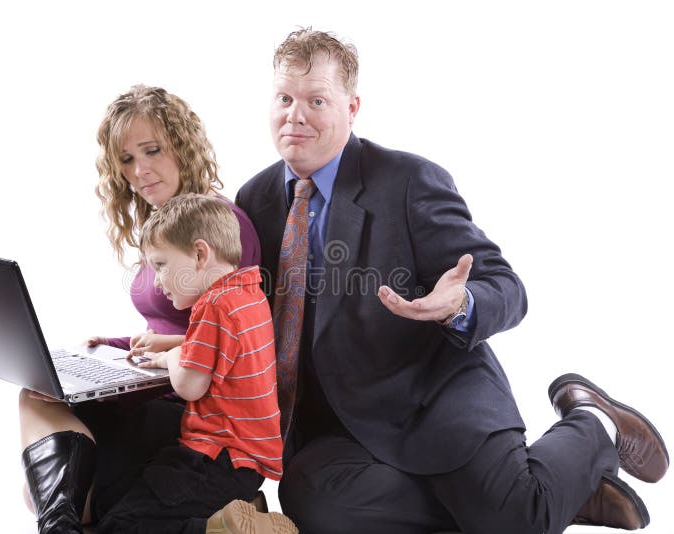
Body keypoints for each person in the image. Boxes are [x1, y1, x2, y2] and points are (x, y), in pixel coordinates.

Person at [235, 28, 669, 534]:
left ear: (352, 108)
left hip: (435, 400)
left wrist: (460, 302)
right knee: (318, 512)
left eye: (316, 100)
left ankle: (593, 424)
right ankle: (552, 488)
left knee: (512, 523)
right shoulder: (255, 200)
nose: (296, 115)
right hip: (341, 428)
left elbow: (506, 287)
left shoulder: (407, 180)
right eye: (285, 98)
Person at [18, 85, 262, 533]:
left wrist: (164, 357)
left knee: (65, 489)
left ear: (182, 147)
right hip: (154, 383)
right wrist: (111, 346)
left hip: (192, 406)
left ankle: (226, 510)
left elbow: (239, 340)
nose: (140, 170)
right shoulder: (167, 226)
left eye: (152, 151)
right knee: (39, 399)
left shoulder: (221, 227)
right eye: (127, 160)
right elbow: (170, 324)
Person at [92, 193, 296, 533]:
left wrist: (172, 356)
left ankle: (215, 530)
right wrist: (169, 346)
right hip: (248, 463)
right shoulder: (248, 292)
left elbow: (189, 384)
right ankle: (234, 516)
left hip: (214, 458)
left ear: (200, 254)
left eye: (160, 265)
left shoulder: (211, 305)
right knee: (138, 499)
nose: (156, 281)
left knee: (118, 525)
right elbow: (227, 348)